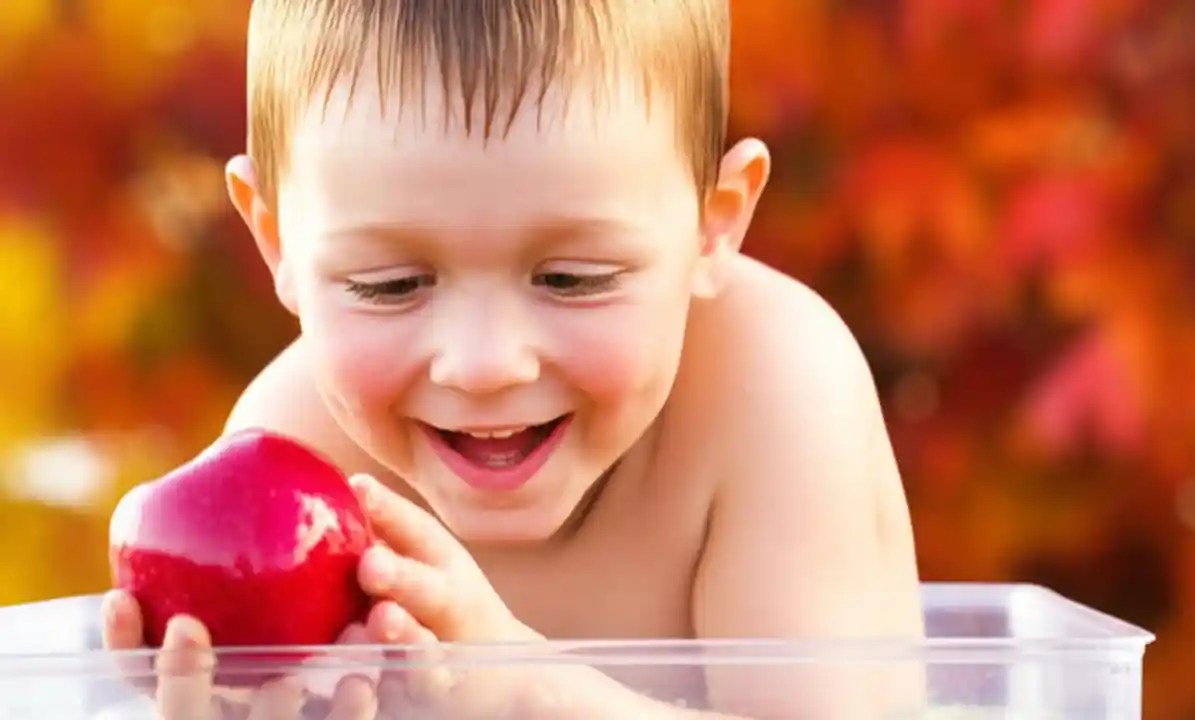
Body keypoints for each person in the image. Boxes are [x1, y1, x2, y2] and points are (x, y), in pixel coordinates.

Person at [101, 1, 924, 717]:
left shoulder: (772, 391)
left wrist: (527, 690)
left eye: (572, 278)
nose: (483, 364)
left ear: (714, 222)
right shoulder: (297, 461)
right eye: (390, 286)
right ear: (277, 241)